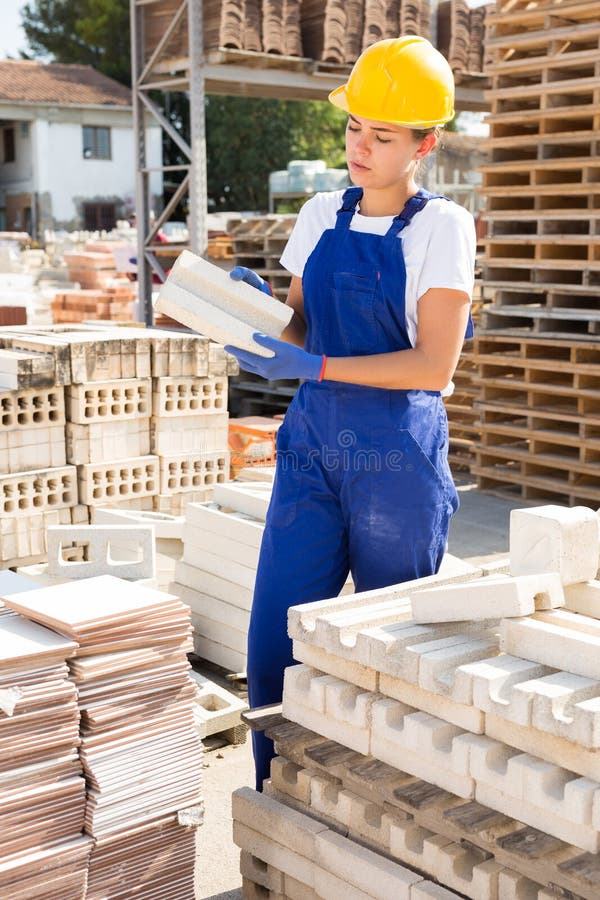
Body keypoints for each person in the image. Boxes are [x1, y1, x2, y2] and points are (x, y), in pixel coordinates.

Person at [225, 35, 476, 791]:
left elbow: (435, 365)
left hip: (395, 460)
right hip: (311, 450)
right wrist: (255, 319)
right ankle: (280, 802)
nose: (360, 147)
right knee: (274, 644)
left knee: (390, 654)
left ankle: (384, 818)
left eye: (384, 135)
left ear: (424, 144)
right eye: (354, 127)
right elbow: (300, 331)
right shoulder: (319, 214)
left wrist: (318, 364)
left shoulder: (443, 230)